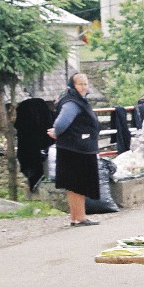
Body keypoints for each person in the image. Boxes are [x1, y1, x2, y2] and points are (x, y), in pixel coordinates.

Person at [48, 73, 100, 226]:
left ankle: (77, 217)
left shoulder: (77, 101)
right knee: (77, 184)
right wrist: (56, 132)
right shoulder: (72, 103)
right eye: (80, 84)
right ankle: (79, 218)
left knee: (76, 184)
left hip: (76, 148)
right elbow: (62, 122)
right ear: (73, 86)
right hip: (75, 149)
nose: (84, 87)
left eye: (86, 84)